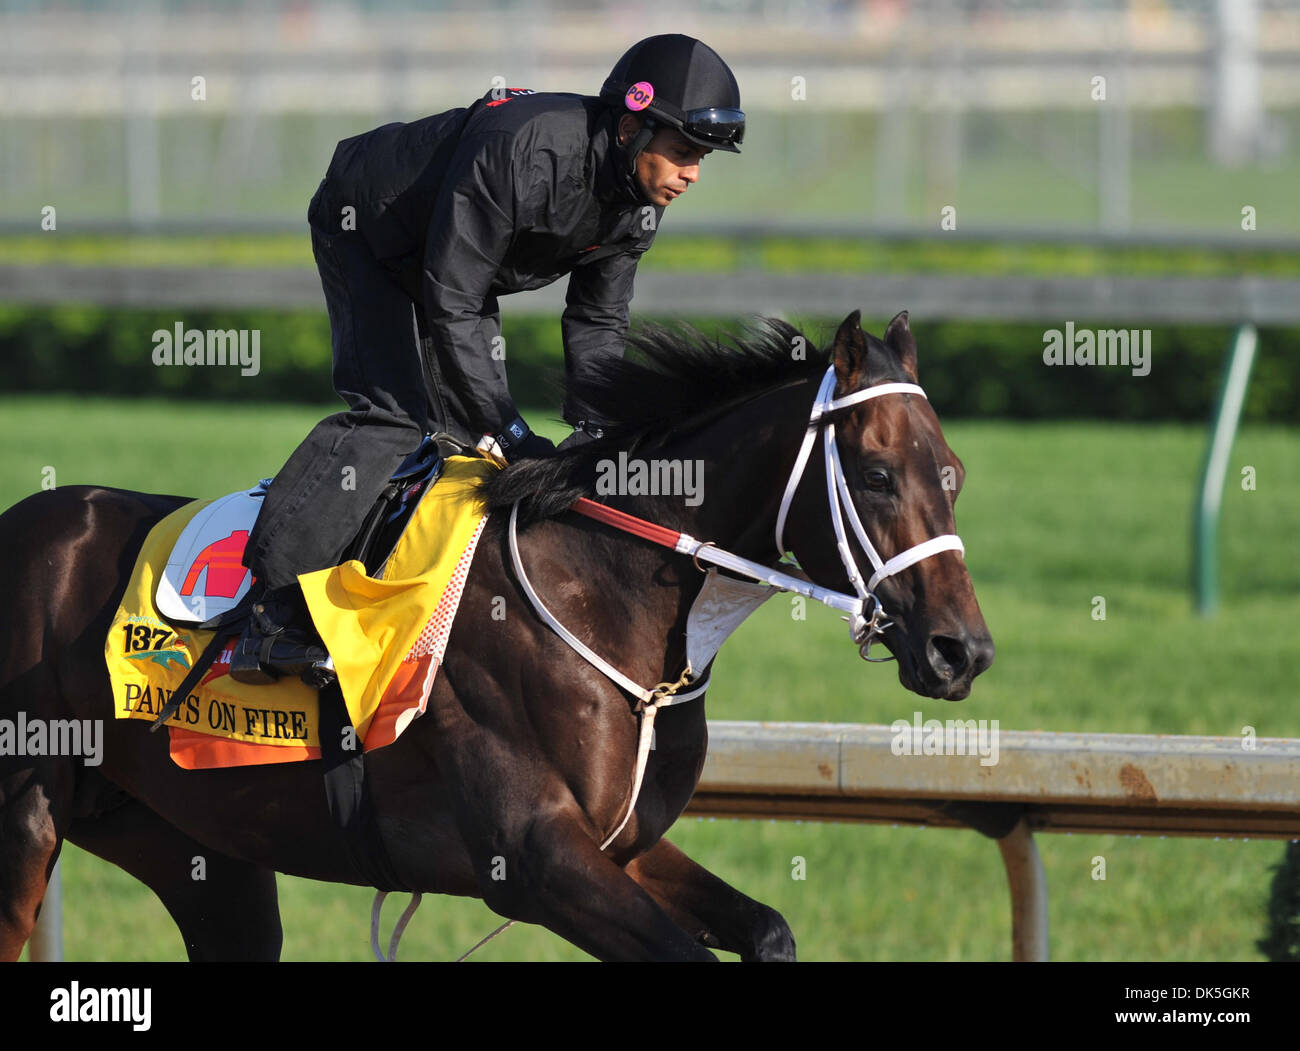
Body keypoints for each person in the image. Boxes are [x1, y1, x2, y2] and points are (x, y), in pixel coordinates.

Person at [230, 34, 745, 684]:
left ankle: (403, 603)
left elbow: (597, 319)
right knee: (395, 415)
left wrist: (596, 430)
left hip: (450, 263)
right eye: (683, 152)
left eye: (701, 158)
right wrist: (512, 429)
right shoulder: (524, 149)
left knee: (462, 441)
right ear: (628, 128)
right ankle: (270, 616)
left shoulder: (637, 204)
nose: (692, 173)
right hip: (368, 225)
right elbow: (452, 297)